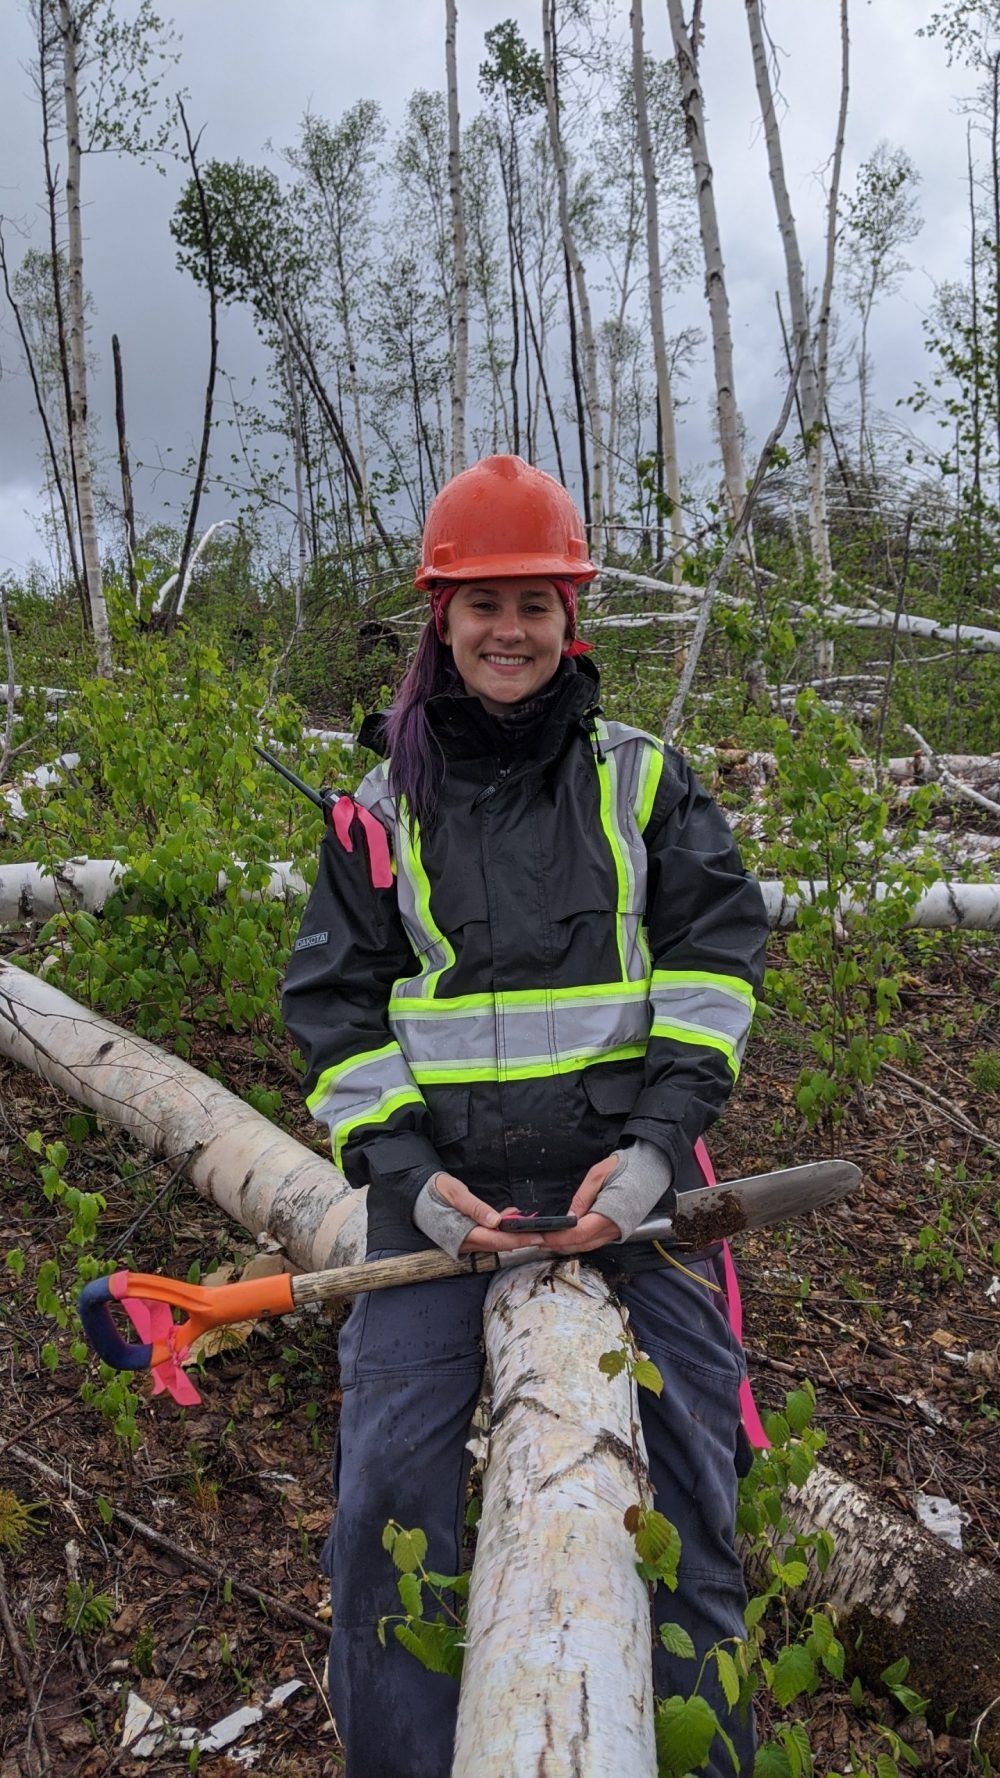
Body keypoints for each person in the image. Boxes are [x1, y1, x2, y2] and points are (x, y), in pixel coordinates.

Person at [281, 454, 769, 1778]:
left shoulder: (642, 782)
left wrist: (659, 1145)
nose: (508, 629)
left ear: (573, 616)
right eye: (480, 602)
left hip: (631, 1192)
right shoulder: (378, 812)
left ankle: (702, 1752)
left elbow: (715, 966)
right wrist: (411, 1171)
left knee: (699, 1484)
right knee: (385, 1488)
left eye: (534, 603)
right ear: (439, 616)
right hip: (444, 1204)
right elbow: (334, 1011)